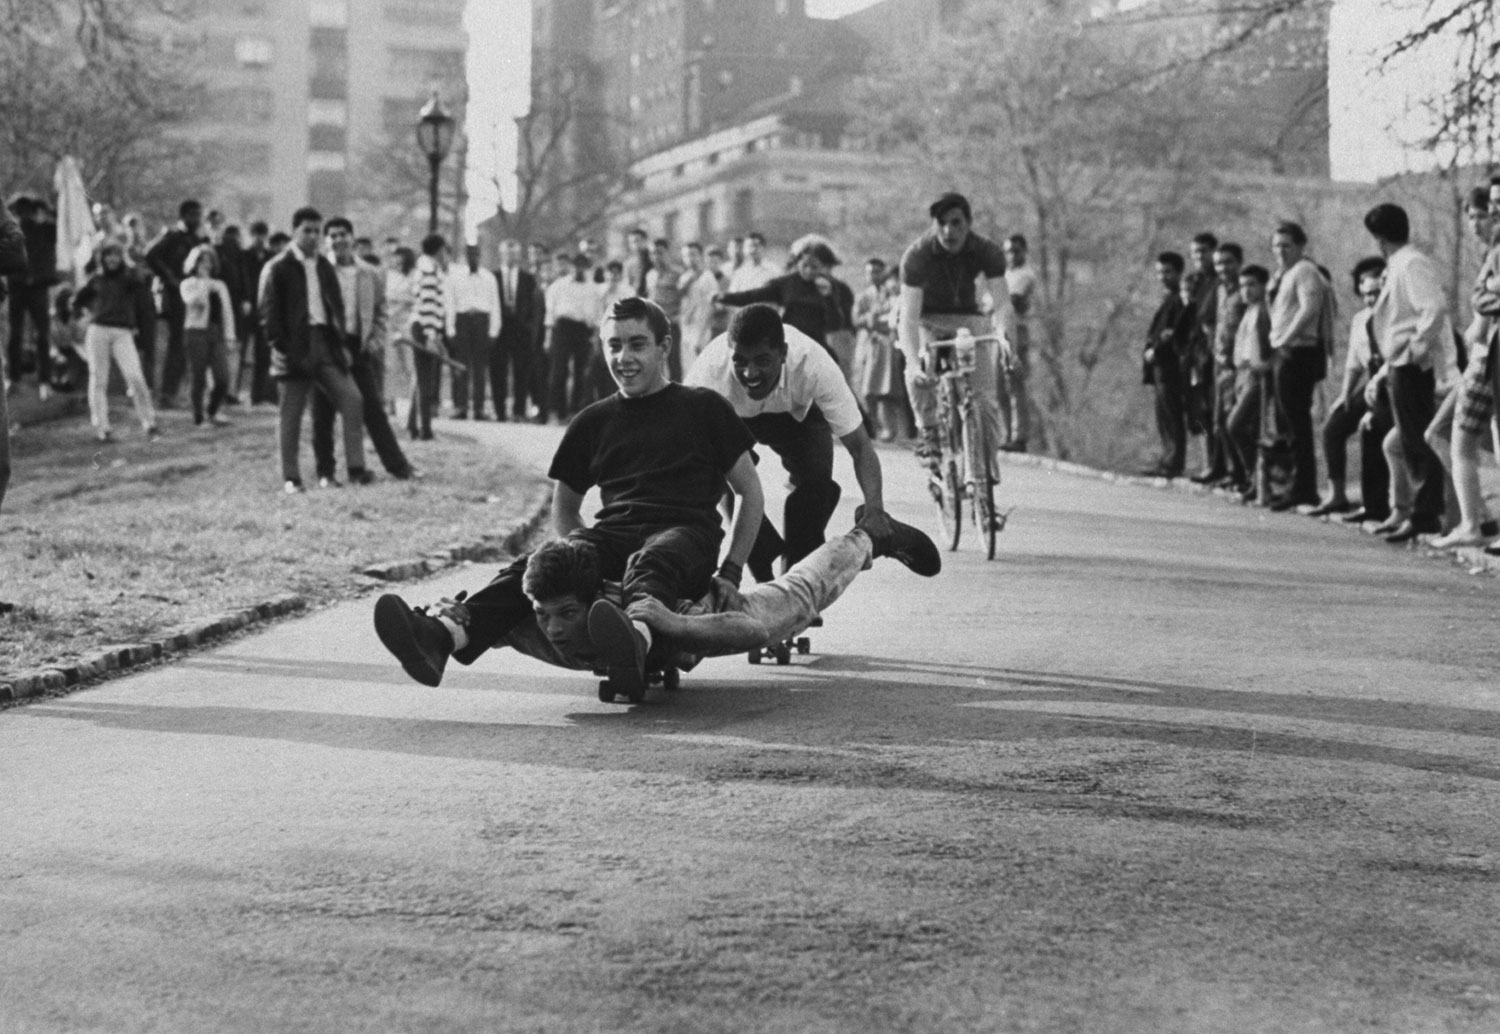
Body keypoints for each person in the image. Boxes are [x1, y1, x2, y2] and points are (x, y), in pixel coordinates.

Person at [373, 295, 766, 698]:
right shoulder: (593, 421)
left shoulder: (703, 407)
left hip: (686, 535)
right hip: (615, 535)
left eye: (637, 344)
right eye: (614, 345)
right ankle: (444, 636)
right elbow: (565, 509)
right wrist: (578, 566)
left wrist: (732, 571)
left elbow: (750, 493)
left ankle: (636, 644)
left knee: (653, 559)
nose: (623, 357)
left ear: (664, 347)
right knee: (541, 563)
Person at [420, 509, 939, 682]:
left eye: (567, 615)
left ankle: (872, 535)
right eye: (545, 616)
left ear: (597, 598)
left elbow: (752, 632)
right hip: (639, 554)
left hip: (690, 604)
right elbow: (501, 615)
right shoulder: (532, 624)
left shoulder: (649, 613)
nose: (553, 629)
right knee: (507, 601)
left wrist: (678, 626)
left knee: (794, 601)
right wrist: (445, 624)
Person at [687, 303, 893, 582]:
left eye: (762, 361)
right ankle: (762, 568)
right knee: (718, 478)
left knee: (817, 483)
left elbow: (860, 446)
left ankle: (799, 572)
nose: (750, 373)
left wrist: (875, 508)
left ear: (783, 353)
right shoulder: (707, 373)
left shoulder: (814, 364)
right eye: (740, 361)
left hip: (798, 418)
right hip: (734, 419)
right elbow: (683, 453)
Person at [894, 192, 1013, 479]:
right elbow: (908, 318)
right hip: (928, 320)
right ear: (934, 225)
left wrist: (1006, 339)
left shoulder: (987, 250)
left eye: (957, 223)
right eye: (942, 223)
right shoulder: (917, 254)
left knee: (984, 399)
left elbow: (1002, 303)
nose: (949, 231)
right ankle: (929, 431)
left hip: (968, 320)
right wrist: (912, 363)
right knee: (920, 370)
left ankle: (984, 473)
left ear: (968, 224)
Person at [1362, 203, 1458, 543]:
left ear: (1379, 238)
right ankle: (1421, 510)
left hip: (1411, 363)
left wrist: (1415, 349)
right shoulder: (1398, 264)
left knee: (1416, 438)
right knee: (1409, 437)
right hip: (1398, 363)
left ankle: (1424, 513)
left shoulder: (1411, 263)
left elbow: (1433, 308)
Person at [261, 206, 369, 492]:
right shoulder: (279, 267)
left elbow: (337, 306)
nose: (312, 236)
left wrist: (340, 343)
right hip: (295, 346)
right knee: (291, 414)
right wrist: (283, 348)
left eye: (316, 231)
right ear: (294, 231)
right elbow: (268, 314)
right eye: (306, 230)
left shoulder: (322, 266)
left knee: (352, 399)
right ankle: (291, 478)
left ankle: (356, 470)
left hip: (325, 342)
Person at [312, 217, 414, 485]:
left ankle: (399, 467)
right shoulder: (319, 270)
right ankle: (326, 472)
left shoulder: (369, 272)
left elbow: (382, 310)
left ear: (352, 238)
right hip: (326, 346)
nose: (338, 240)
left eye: (343, 234)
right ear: (327, 241)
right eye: (332, 236)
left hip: (359, 345)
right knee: (323, 412)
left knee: (373, 408)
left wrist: (375, 340)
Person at [1425, 184, 1500, 548]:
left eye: (1481, 215)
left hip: (1486, 360)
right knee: (1441, 434)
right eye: (1471, 217)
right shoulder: (1490, 252)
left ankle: (1477, 521)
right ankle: (1479, 519)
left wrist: (1482, 308)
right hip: (1482, 360)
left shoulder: (1497, 251)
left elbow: (1484, 309)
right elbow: (1483, 299)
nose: (1476, 224)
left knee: (1455, 438)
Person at [1307, 258, 1392, 521]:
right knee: (1334, 426)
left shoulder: (1394, 316)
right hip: (1370, 384)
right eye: (1366, 294)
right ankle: (1337, 494)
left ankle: (1375, 504)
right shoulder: (1360, 320)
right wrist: (1344, 395)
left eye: (1376, 293)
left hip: (1391, 383)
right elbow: (1355, 363)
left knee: (1372, 431)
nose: (1370, 300)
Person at [1264, 221, 1333, 510]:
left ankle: (1304, 487)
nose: (1280, 251)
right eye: (1276, 246)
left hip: (1298, 352)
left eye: (1287, 246)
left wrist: (1285, 337)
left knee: (1296, 423)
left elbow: (1310, 308)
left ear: (1301, 246)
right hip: (1286, 352)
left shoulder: (1305, 271)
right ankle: (1293, 483)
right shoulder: (1286, 274)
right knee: (1286, 422)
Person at [71, 241, 159, 442]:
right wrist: (85, 316)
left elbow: (144, 280)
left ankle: (149, 422)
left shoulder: (129, 278)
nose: (112, 259)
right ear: (102, 258)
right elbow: (76, 301)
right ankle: (102, 427)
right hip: (98, 330)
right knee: (98, 379)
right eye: (108, 255)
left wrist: (130, 262)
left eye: (116, 255)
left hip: (122, 332)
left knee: (135, 376)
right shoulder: (96, 279)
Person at [716, 237, 848, 361]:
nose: (808, 271)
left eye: (814, 267)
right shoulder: (785, 284)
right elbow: (754, 295)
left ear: (823, 267)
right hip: (787, 344)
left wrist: (828, 297)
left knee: (832, 367)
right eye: (805, 265)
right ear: (797, 263)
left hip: (815, 345)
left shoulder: (830, 287)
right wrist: (725, 297)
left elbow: (835, 324)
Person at [144, 199, 206, 408]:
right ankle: (166, 394)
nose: (197, 219)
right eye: (194, 215)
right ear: (184, 216)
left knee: (185, 343)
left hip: (190, 296)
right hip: (173, 297)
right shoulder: (172, 236)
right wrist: (170, 278)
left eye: (199, 215)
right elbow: (150, 255)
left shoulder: (195, 239)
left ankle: (174, 392)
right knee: (176, 344)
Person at [1140, 251, 1194, 477]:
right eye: (1160, 272)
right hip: (1159, 367)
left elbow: (1173, 333)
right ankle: (1166, 458)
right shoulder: (1169, 299)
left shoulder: (1180, 300)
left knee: (1172, 414)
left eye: (1168, 272)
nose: (1163, 277)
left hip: (1171, 366)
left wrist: (1157, 349)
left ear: (1179, 272)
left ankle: (1174, 461)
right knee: (1163, 414)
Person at [1225, 265, 1274, 499]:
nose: (1247, 291)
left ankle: (1255, 476)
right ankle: (1254, 480)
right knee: (1249, 428)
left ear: (1264, 286)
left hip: (1258, 374)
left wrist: (1262, 367)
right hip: (1242, 374)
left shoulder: (1265, 311)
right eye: (1243, 286)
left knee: (1236, 424)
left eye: (1252, 285)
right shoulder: (1249, 311)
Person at [1203, 243, 1248, 489]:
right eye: (1219, 263)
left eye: (1228, 262)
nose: (1223, 268)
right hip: (1219, 364)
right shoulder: (1221, 290)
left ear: (1239, 263)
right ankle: (1231, 471)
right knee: (1219, 420)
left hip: (1237, 365)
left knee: (1235, 420)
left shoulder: (1244, 291)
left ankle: (1243, 474)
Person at [5, 196, 59, 398]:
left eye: (27, 210)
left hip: (38, 287)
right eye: (19, 211)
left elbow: (63, 225)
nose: (23, 215)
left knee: (42, 334)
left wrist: (46, 207)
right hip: (17, 287)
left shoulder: (45, 229)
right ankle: (14, 378)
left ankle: (45, 380)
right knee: (15, 334)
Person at [179, 244, 236, 427]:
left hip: (215, 332)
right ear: (194, 263)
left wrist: (230, 335)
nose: (206, 264)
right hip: (195, 332)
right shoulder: (188, 284)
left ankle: (211, 411)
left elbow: (227, 312)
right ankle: (199, 417)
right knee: (198, 376)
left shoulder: (220, 285)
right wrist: (203, 283)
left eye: (209, 260)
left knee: (222, 378)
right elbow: (192, 301)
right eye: (202, 260)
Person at [446, 243, 501, 420]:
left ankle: (478, 408)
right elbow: (450, 303)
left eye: (476, 255)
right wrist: (451, 328)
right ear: (465, 256)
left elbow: (495, 305)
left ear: (480, 256)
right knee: (461, 365)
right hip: (462, 321)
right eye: (469, 255)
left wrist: (494, 330)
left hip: (482, 322)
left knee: (479, 367)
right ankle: (460, 406)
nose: (473, 258)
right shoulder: (455, 277)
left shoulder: (488, 277)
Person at [544, 252, 601, 422]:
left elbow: (597, 316)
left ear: (587, 267)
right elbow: (550, 313)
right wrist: (548, 338)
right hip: (563, 328)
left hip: (582, 330)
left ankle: (575, 410)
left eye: (583, 266)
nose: (579, 269)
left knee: (580, 371)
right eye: (576, 265)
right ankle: (558, 411)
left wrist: (595, 338)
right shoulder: (559, 285)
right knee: (559, 370)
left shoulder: (593, 289)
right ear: (571, 266)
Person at [491, 238, 539, 421]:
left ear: (519, 255)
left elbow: (533, 307)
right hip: (500, 328)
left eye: (514, 253)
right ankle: (500, 411)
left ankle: (519, 411)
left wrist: (530, 328)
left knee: (521, 371)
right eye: (507, 253)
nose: (510, 257)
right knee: (498, 371)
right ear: (501, 254)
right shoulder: (492, 276)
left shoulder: (528, 279)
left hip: (521, 330)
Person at [407, 233, 449, 441]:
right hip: (424, 327)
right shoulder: (429, 270)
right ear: (439, 250)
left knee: (420, 377)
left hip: (422, 326)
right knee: (425, 381)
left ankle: (412, 425)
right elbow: (429, 305)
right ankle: (425, 430)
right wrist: (432, 335)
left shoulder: (423, 267)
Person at [1000, 234, 1037, 453]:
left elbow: (1011, 300)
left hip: (1016, 331)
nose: (1012, 255)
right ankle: (1006, 433)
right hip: (1001, 331)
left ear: (1024, 251)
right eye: (1008, 251)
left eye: (1016, 251)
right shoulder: (1006, 274)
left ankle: (1019, 435)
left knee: (1015, 385)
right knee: (1001, 387)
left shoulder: (1025, 275)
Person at [240, 220, 277, 406]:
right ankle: (235, 393)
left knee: (263, 354)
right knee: (240, 351)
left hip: (264, 310)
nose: (259, 239)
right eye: (256, 234)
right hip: (246, 309)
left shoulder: (271, 257)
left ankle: (259, 394)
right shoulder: (243, 256)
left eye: (262, 235)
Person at [676, 240, 724, 375]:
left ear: (701, 256)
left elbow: (712, 307)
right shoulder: (684, 277)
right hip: (687, 327)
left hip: (702, 328)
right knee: (688, 369)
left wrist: (701, 334)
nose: (690, 259)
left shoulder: (708, 278)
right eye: (686, 256)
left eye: (693, 255)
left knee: (703, 368)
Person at [382, 245, 418, 416]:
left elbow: (412, 298)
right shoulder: (390, 276)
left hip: (408, 324)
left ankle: (414, 403)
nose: (396, 261)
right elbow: (387, 298)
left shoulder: (414, 276)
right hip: (391, 324)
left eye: (399, 258)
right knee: (391, 365)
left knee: (410, 365)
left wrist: (399, 303)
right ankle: (391, 402)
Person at [644, 238, 684, 379]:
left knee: (674, 365)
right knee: (655, 365)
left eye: (660, 253)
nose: (656, 257)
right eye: (653, 253)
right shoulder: (650, 275)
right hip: (654, 326)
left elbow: (684, 298)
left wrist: (678, 315)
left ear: (667, 253)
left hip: (672, 324)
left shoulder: (678, 273)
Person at [622, 227, 652, 296]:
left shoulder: (653, 260)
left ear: (645, 241)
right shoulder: (629, 264)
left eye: (637, 241)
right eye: (631, 242)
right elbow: (627, 284)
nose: (635, 245)